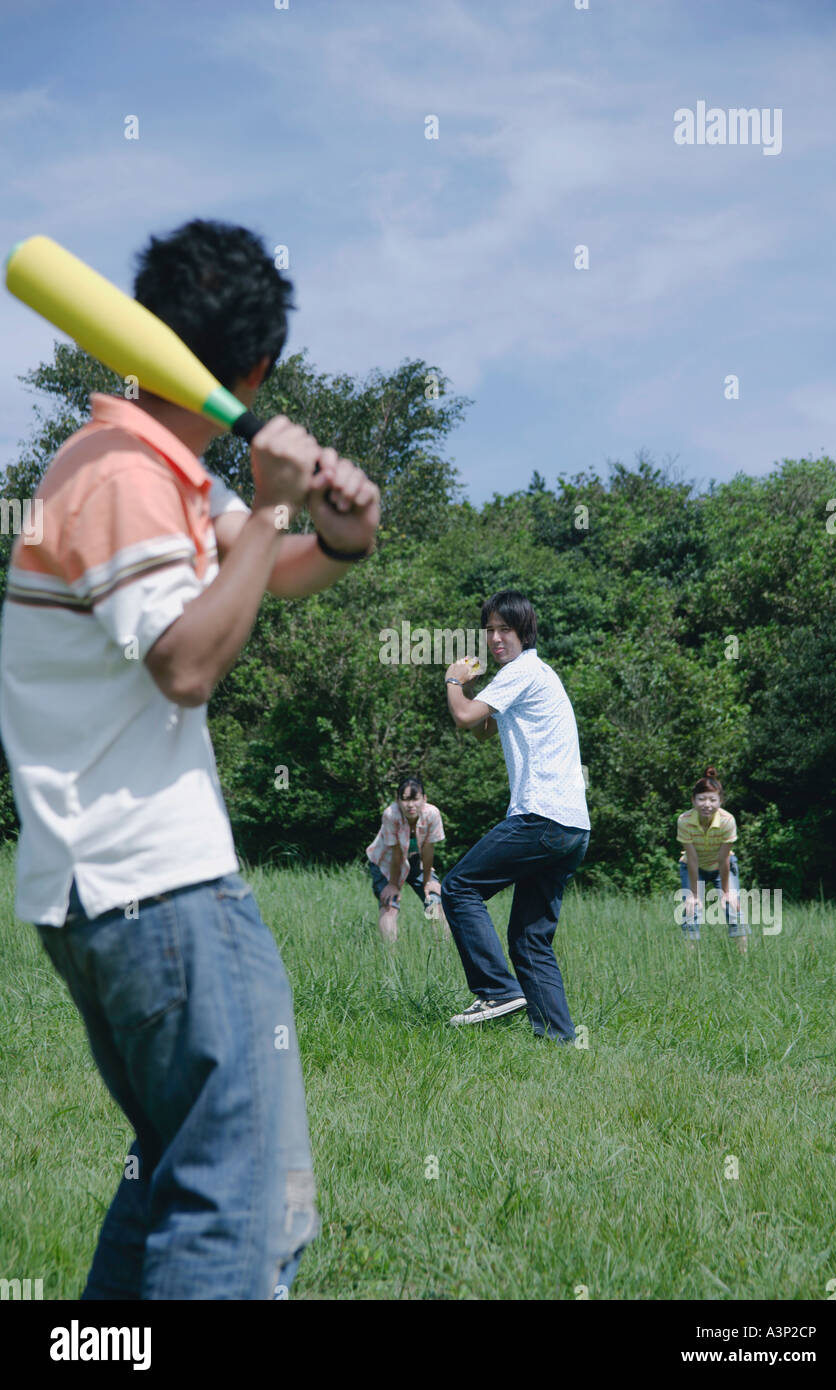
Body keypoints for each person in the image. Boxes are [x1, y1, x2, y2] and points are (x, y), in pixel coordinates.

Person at [0, 219, 380, 1299]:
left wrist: (339, 536)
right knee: (247, 1213)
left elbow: (255, 576)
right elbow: (185, 661)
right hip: (157, 895)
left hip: (111, 898)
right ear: (258, 367)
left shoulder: (152, 467)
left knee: (176, 1182)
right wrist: (268, 502)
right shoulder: (117, 475)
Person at [439, 591, 590, 1042]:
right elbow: (488, 727)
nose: (496, 638)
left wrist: (453, 680)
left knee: (459, 886)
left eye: (505, 629)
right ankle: (559, 1040)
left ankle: (496, 990)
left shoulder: (522, 671)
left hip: (540, 819)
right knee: (529, 939)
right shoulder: (533, 675)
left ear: (525, 632)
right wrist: (481, 688)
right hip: (572, 828)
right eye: (489, 630)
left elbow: (465, 716)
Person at [365, 776, 449, 942]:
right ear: (398, 800)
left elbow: (428, 848)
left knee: (434, 900)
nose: (410, 805)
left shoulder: (432, 814)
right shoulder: (391, 815)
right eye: (405, 799)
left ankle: (442, 952)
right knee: (390, 904)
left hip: (416, 860)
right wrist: (393, 885)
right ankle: (390, 958)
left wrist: (427, 881)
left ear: (424, 799)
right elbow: (396, 852)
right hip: (386, 862)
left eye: (415, 799)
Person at [677, 766, 749, 954]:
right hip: (693, 867)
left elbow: (723, 857)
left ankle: (743, 956)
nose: (706, 804)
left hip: (721, 866)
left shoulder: (727, 821)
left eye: (712, 799)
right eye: (701, 799)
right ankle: (690, 958)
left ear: (720, 801)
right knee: (691, 909)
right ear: (693, 800)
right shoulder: (684, 821)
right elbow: (691, 858)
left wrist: (726, 892)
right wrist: (693, 894)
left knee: (732, 905)